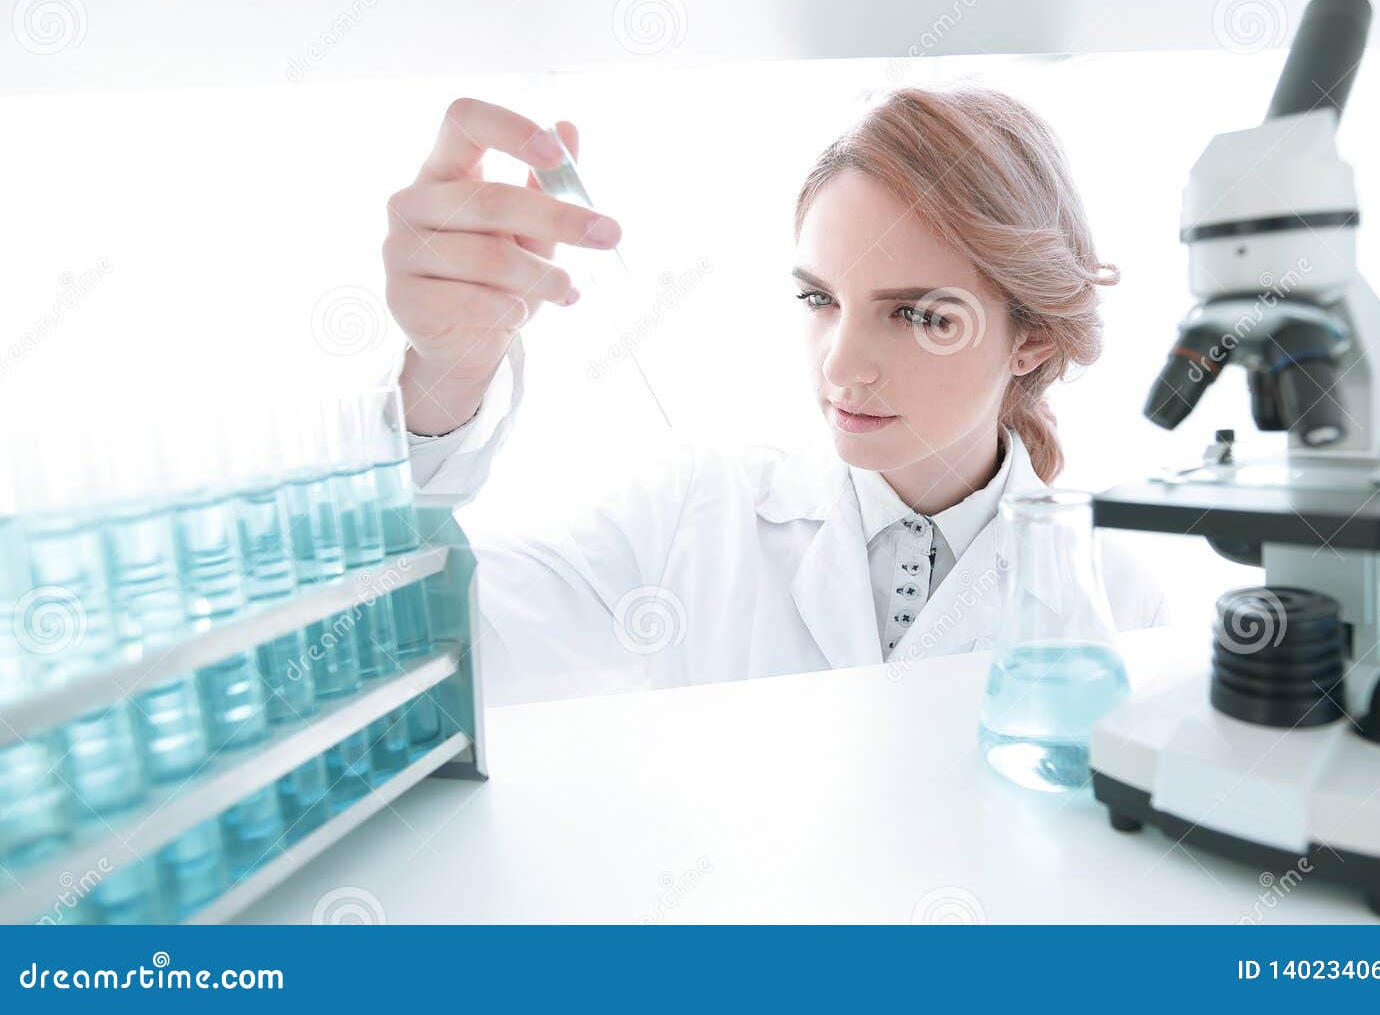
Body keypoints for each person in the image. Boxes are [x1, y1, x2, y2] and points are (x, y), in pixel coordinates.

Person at [381, 88, 1169, 704]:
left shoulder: (1120, 600)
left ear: (1030, 336)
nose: (840, 367)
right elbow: (405, 645)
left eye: (917, 314)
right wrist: (446, 377)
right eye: (819, 300)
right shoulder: (688, 516)